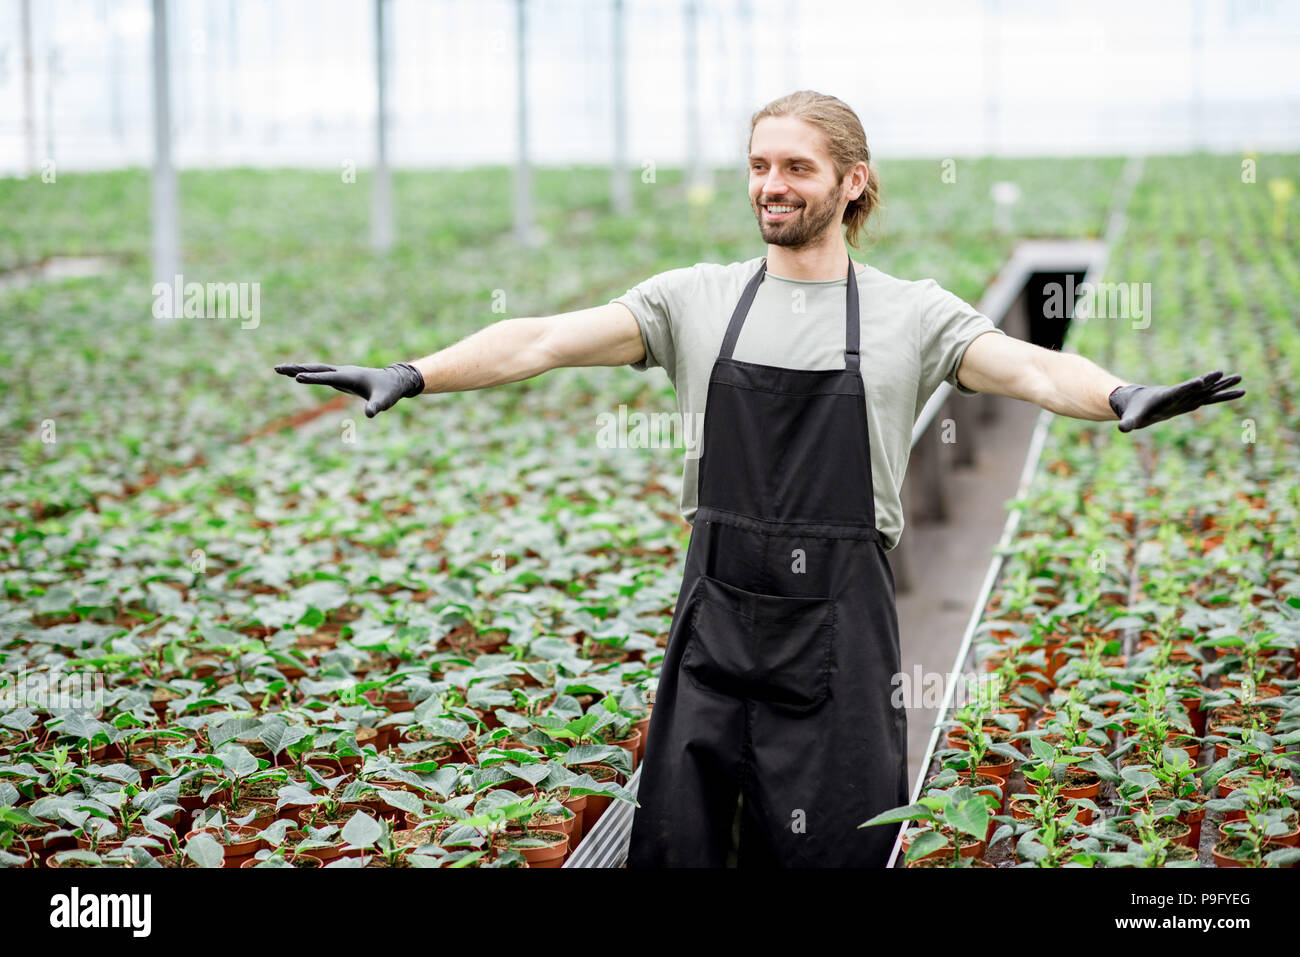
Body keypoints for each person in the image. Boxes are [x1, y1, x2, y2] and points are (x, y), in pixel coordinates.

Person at [274, 90, 1245, 868]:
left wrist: (1119, 395)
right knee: (684, 831)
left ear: (850, 183)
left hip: (840, 616)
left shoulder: (910, 314)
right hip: (719, 606)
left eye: (794, 167)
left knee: (833, 837)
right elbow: (538, 339)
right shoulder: (694, 300)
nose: (770, 185)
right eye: (758, 165)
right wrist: (415, 372)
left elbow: (1030, 368)